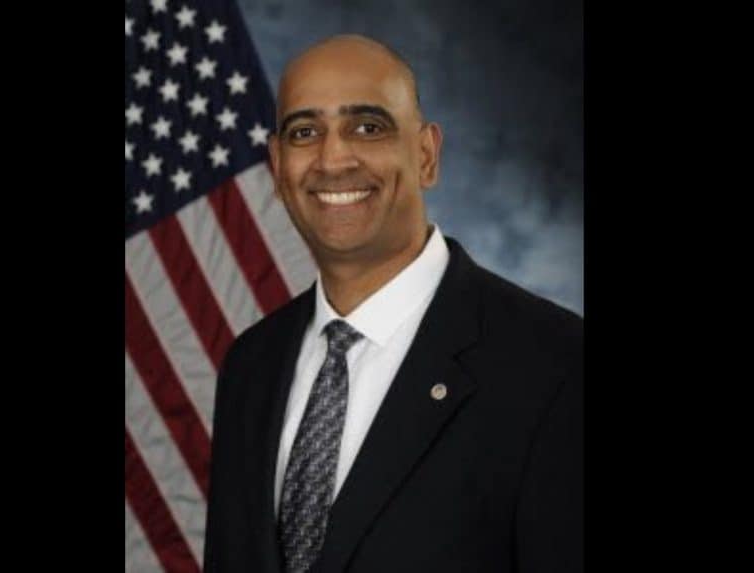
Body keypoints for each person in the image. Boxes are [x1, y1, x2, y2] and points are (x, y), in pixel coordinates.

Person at [205, 34, 582, 573]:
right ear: (278, 165)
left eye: (368, 127)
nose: (333, 158)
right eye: (305, 132)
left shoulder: (556, 365)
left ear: (426, 155)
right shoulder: (250, 365)